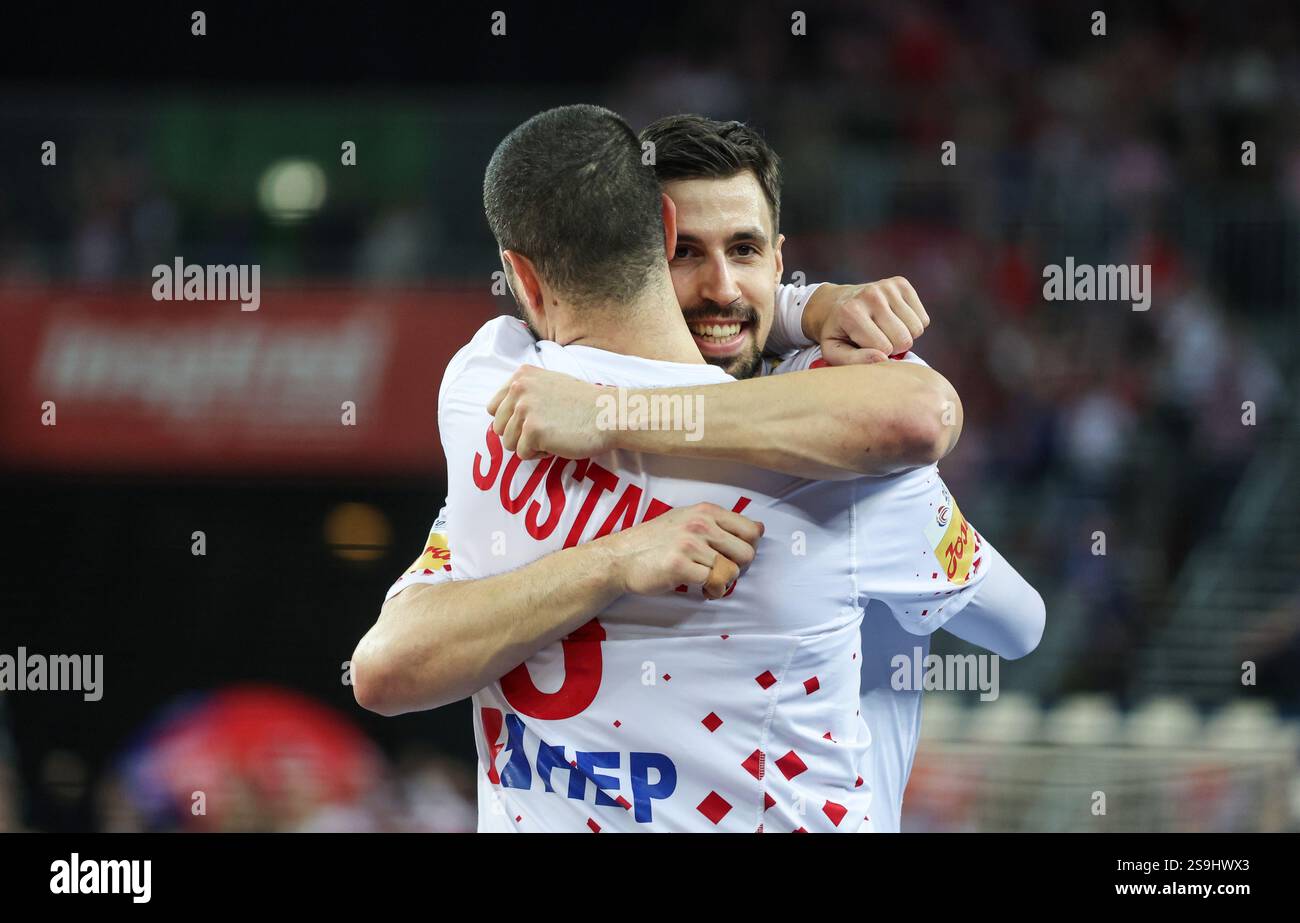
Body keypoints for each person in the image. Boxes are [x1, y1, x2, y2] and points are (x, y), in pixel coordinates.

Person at [353, 106, 1044, 832]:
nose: (721, 290)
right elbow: (1016, 616)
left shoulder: (488, 391)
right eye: (691, 254)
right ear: (661, 232)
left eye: (746, 252)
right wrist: (616, 559)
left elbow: (382, 673)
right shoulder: (852, 472)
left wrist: (806, 310)